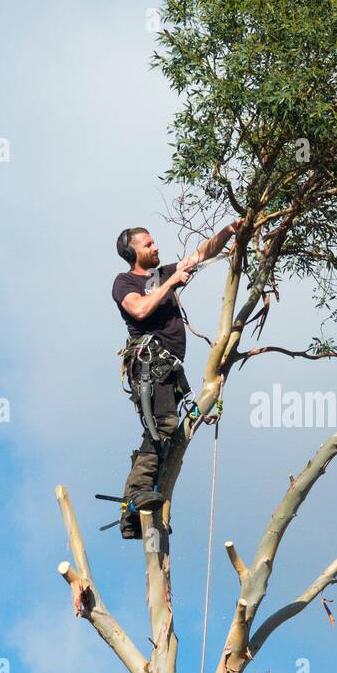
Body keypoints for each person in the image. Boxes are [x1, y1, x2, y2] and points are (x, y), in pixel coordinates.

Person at [112, 221, 240, 538]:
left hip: (167, 368)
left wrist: (229, 232)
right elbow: (140, 310)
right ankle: (134, 501)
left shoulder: (158, 275)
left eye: (154, 243)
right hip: (149, 363)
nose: (155, 247)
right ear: (132, 252)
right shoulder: (125, 281)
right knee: (162, 427)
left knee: (167, 433)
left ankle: (141, 508)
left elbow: (196, 257)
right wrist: (170, 284)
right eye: (148, 245)